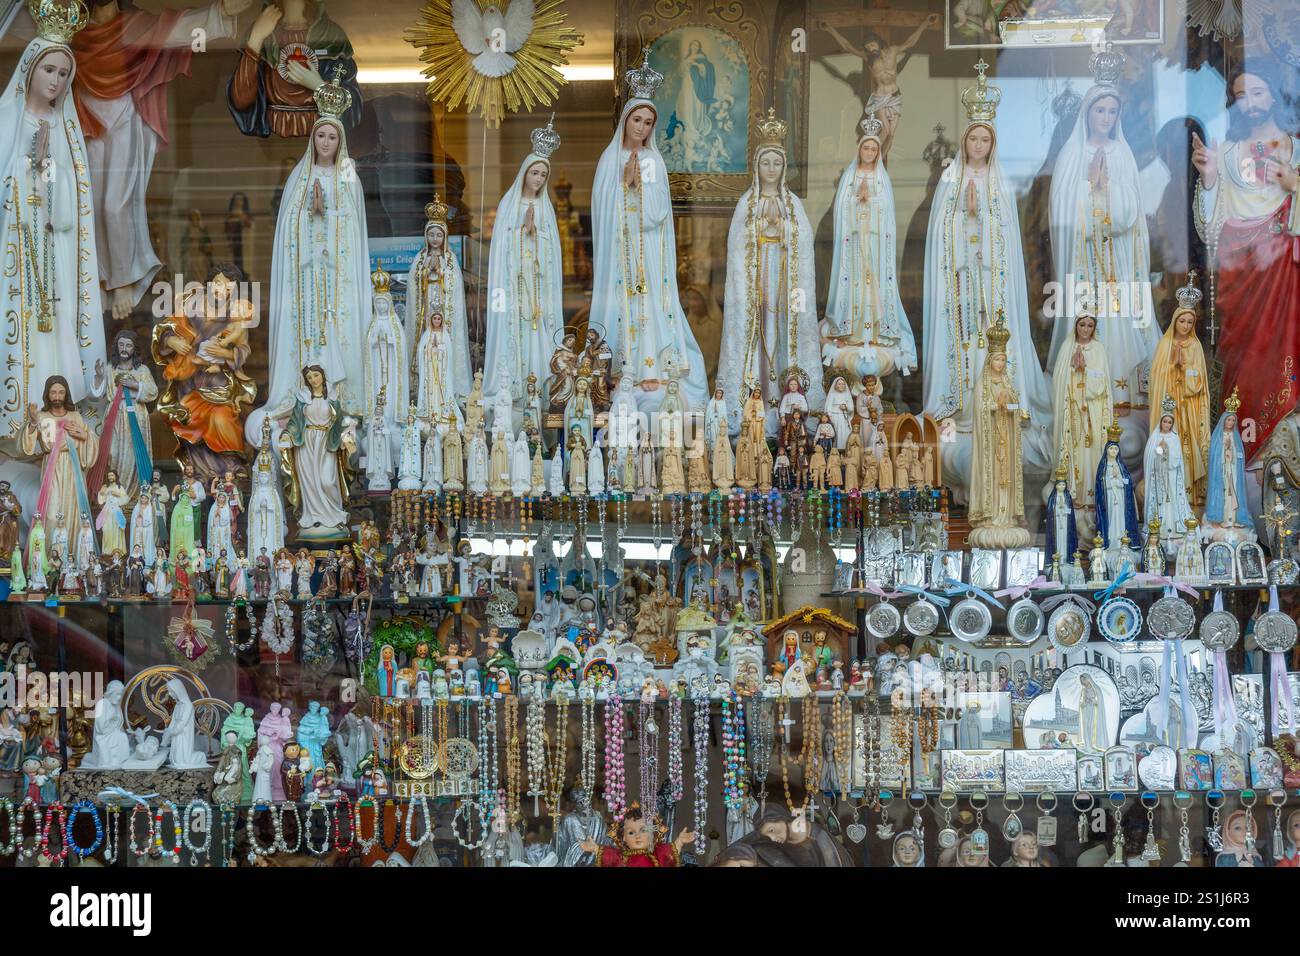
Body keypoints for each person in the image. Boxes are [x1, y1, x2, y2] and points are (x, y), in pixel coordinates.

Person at [0, 19, 106, 443]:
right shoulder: (7, 120)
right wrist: (29, 167)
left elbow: (72, 212)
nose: (56, 81)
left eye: (64, 74)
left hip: (54, 259)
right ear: (29, 68)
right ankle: (15, 423)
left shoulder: (66, 129)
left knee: (54, 330)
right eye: (49, 70)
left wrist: (48, 169)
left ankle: (56, 414)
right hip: (14, 255)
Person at [248, 73, 368, 445]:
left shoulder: (349, 178)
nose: (327, 142)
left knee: (337, 330)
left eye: (333, 136)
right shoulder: (299, 179)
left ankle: (340, 400)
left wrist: (328, 213)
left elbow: (353, 228)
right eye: (321, 135)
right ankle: (299, 398)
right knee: (308, 332)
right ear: (313, 138)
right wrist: (309, 214)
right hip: (306, 280)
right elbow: (288, 229)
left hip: (336, 280)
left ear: (340, 140)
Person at [589, 53, 707, 412]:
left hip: (649, 256)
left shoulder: (654, 162)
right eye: (637, 120)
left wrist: (638, 187)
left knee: (650, 307)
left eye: (648, 122)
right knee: (622, 307)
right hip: (619, 255)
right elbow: (600, 212)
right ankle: (621, 372)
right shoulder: (609, 160)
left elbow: (657, 214)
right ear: (626, 121)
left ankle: (652, 370)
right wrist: (622, 186)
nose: (641, 128)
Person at [1193, 66, 1300, 459]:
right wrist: (1208, 179)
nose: (1250, 103)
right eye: (1241, 95)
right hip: (1242, 288)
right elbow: (1209, 230)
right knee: (1245, 373)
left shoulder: (1297, 151)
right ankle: (1242, 467)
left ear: (1273, 97)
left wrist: (1295, 187)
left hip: (1287, 285)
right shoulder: (1228, 156)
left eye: (1258, 93)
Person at [484, 121, 565, 406]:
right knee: (518, 333)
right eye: (534, 172)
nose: (539, 178)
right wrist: (522, 233)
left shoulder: (546, 207)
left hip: (538, 286)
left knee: (539, 334)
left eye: (544, 174)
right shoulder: (510, 203)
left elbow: (553, 249)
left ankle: (543, 389)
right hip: (516, 287)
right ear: (524, 173)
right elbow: (501, 247)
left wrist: (537, 236)